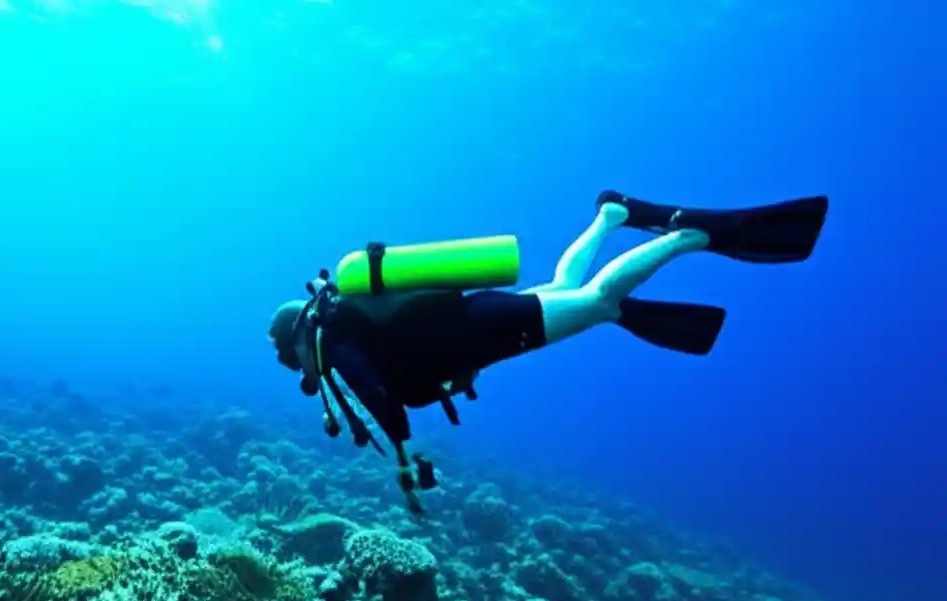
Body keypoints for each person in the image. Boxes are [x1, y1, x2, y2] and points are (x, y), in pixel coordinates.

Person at [268, 189, 829, 514]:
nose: (303, 371)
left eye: (294, 361)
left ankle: (688, 238)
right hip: (478, 318)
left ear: (299, 340)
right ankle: (609, 215)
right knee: (562, 287)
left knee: (602, 302)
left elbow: (380, 399)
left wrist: (405, 466)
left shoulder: (336, 341)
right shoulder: (343, 325)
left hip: (484, 333)